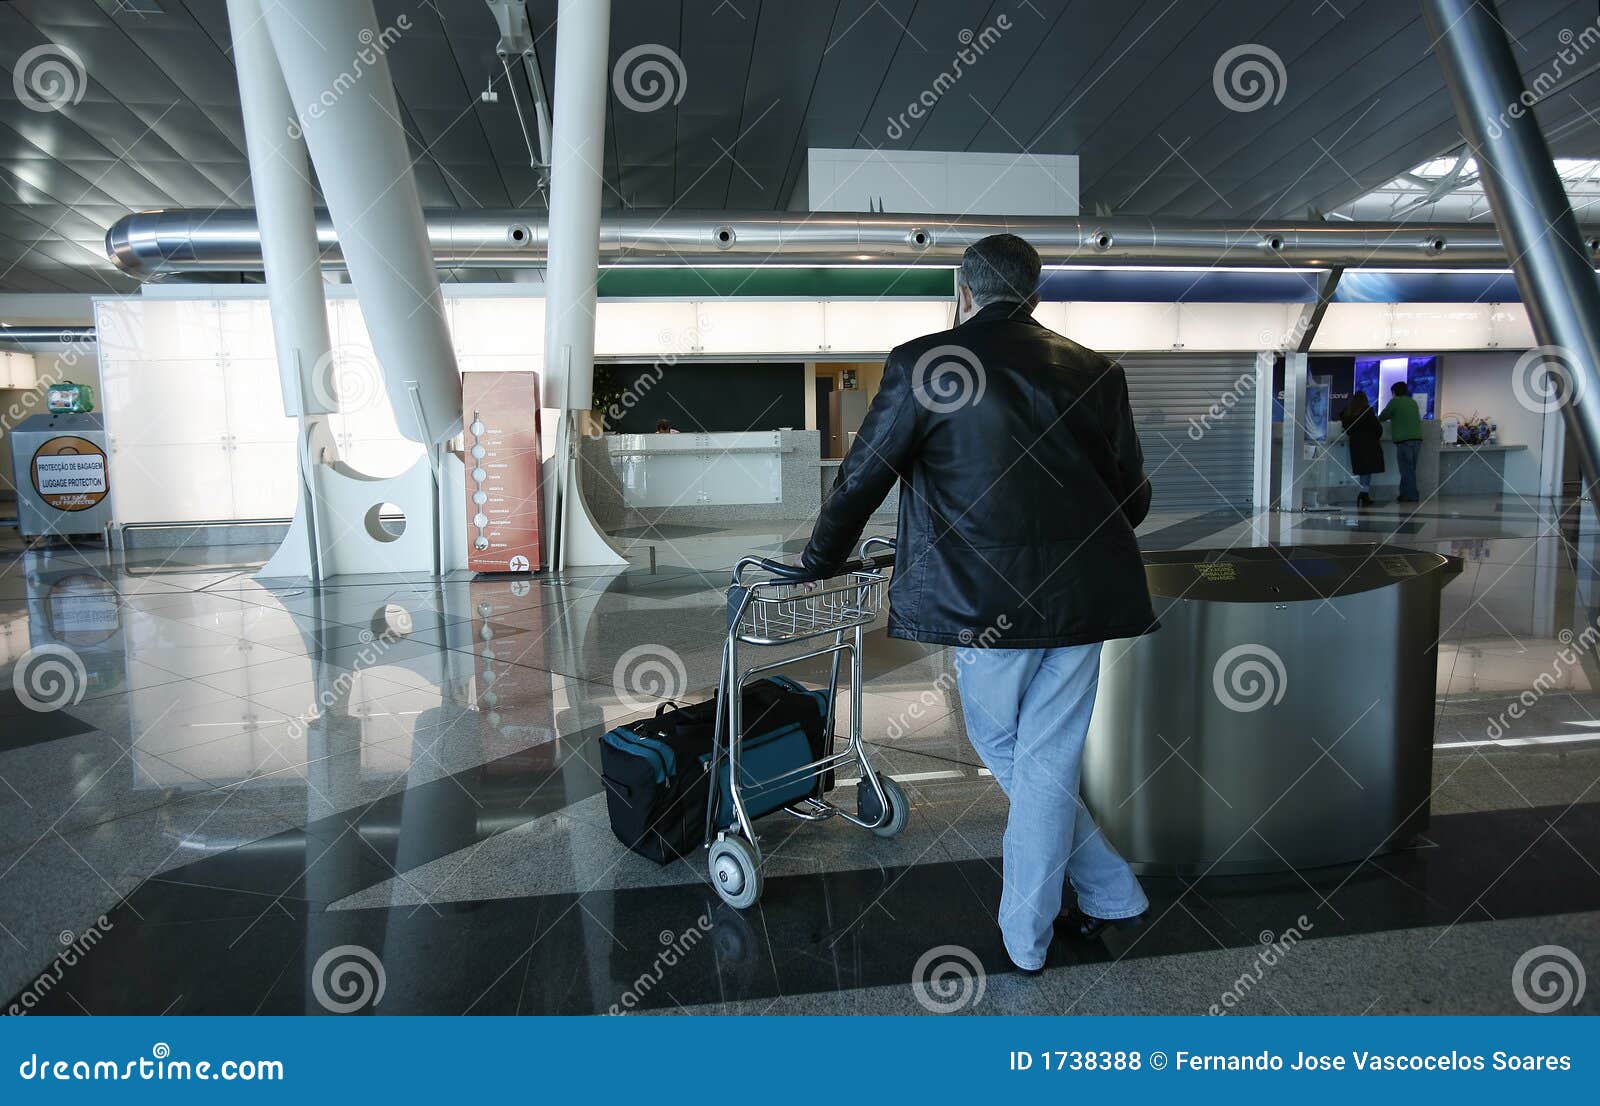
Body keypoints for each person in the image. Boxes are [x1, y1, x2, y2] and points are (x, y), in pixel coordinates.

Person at [798, 234, 1157, 973]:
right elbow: (1135, 499)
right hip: (1084, 597)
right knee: (1046, 758)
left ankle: (1027, 937)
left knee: (1014, 754)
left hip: (984, 601)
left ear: (963, 292)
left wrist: (816, 564)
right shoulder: (1095, 371)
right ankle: (1112, 892)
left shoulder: (926, 362)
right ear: (1036, 294)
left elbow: (862, 479)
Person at [1379, 381, 1424, 502]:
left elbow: (1382, 416)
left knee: (1406, 470)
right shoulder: (1412, 402)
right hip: (1417, 440)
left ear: (1394, 392)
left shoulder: (1395, 402)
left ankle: (1413, 495)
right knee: (1409, 469)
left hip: (1404, 441)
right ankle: (1404, 494)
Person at [1339, 390, 1384, 507]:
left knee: (1363, 470)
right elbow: (1378, 428)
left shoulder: (1348, 413)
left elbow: (1346, 427)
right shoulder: (1367, 411)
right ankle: (1364, 493)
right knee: (1367, 470)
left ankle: (1363, 493)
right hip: (1369, 444)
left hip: (1356, 445)